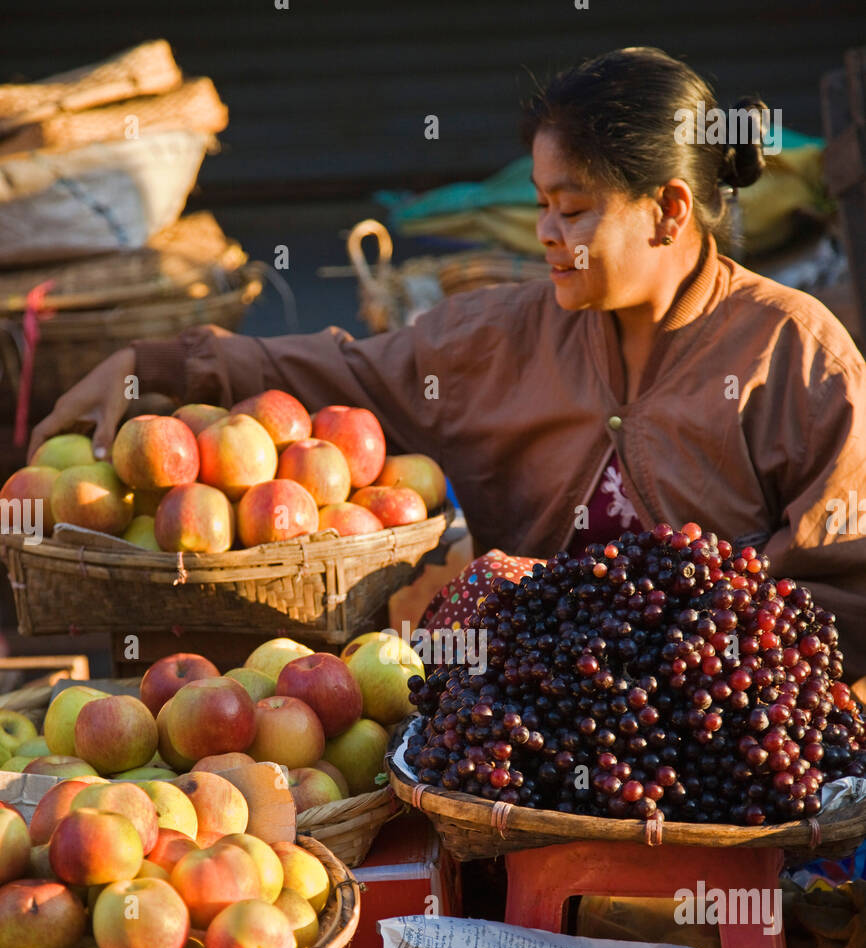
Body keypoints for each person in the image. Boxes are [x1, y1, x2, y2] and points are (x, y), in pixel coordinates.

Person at [29, 47, 866, 675]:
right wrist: (156, 363)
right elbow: (346, 374)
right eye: (540, 205)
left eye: (572, 210)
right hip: (526, 745)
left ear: (669, 209)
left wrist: (677, 632)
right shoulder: (498, 337)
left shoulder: (793, 353)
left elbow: (847, 593)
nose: (544, 233)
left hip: (713, 746)